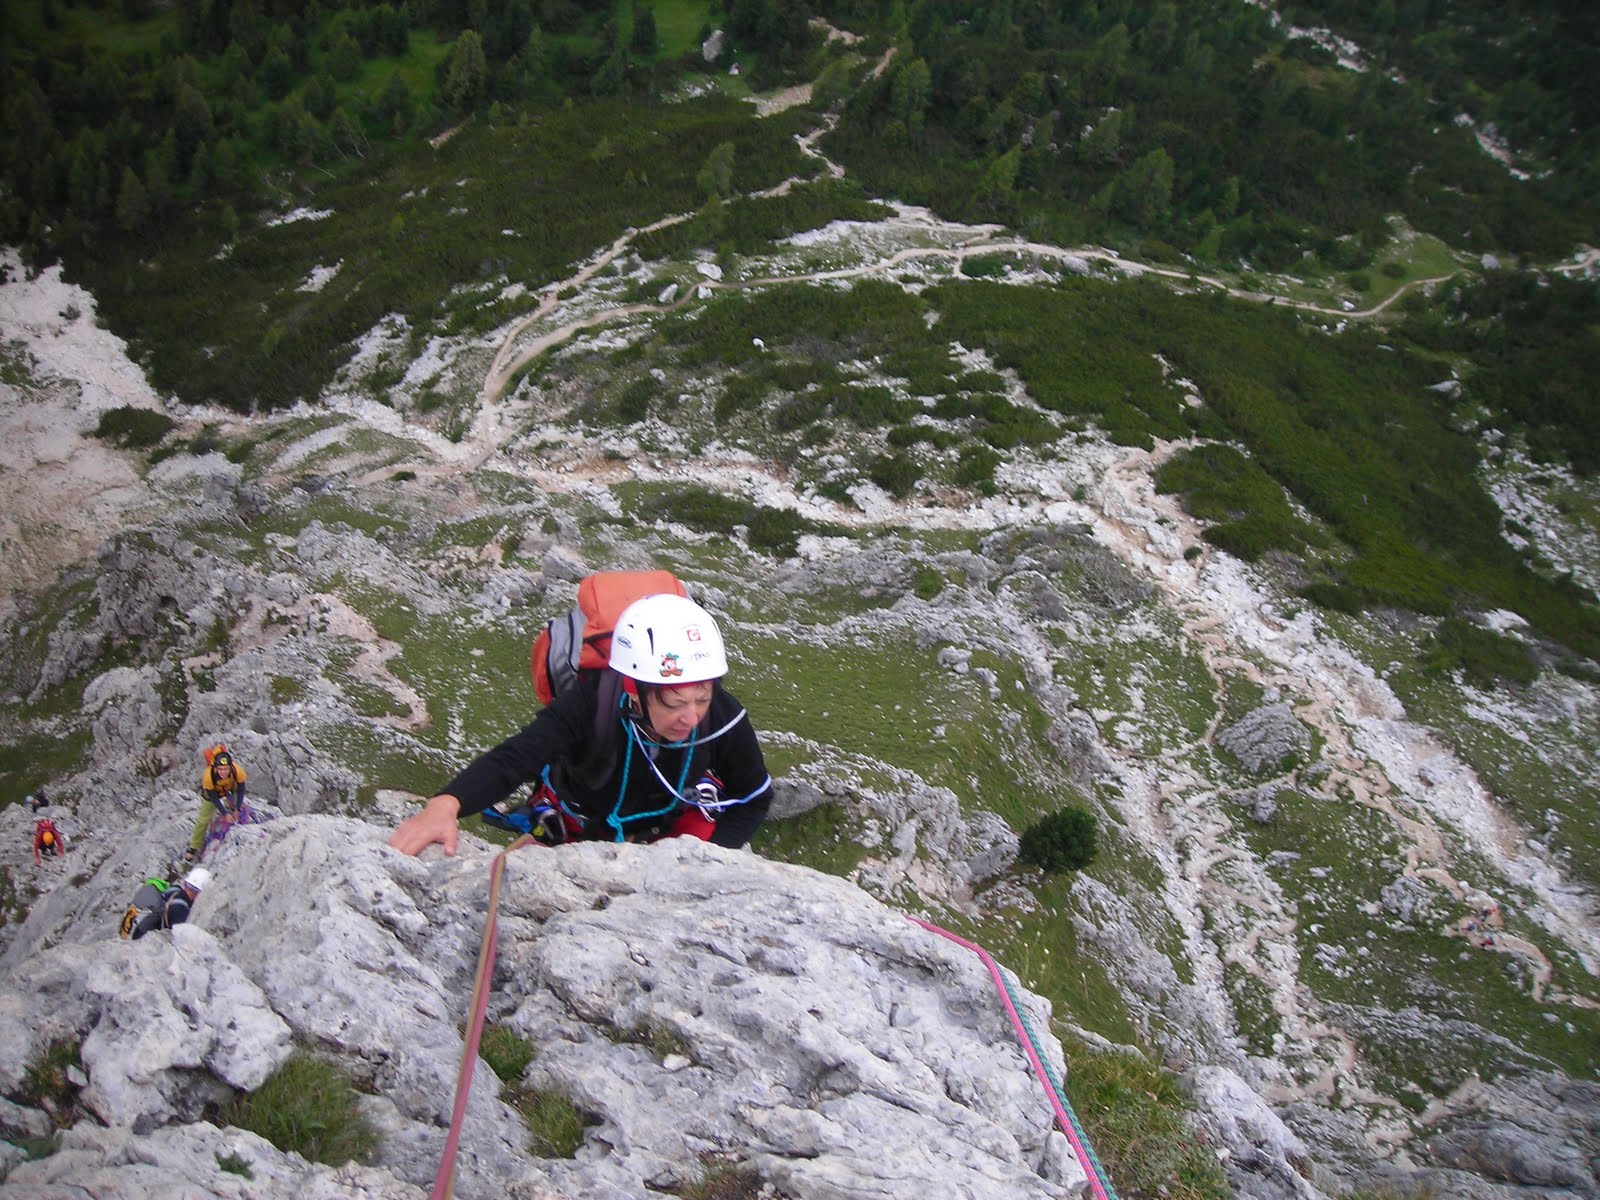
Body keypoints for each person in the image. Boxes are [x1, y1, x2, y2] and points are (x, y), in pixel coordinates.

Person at [389, 592, 773, 856]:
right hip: (580, 822)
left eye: (702, 698)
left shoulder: (722, 715)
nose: (691, 716)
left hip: (669, 824)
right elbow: (516, 758)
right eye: (673, 702)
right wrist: (446, 804)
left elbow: (754, 798)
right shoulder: (591, 704)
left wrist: (709, 858)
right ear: (633, 689)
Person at [186, 747, 249, 863]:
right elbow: (213, 797)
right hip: (212, 794)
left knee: (235, 805)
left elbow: (241, 789)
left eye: (226, 769)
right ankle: (194, 846)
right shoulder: (208, 777)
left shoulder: (237, 771)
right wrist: (224, 813)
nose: (223, 772)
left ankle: (230, 805)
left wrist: (237, 808)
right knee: (203, 820)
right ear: (215, 768)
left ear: (231, 767)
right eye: (220, 769)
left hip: (229, 787)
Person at [127, 867, 210, 939]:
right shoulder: (181, 908)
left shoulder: (174, 889)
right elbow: (177, 936)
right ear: (198, 892)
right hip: (145, 938)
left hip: (139, 930)